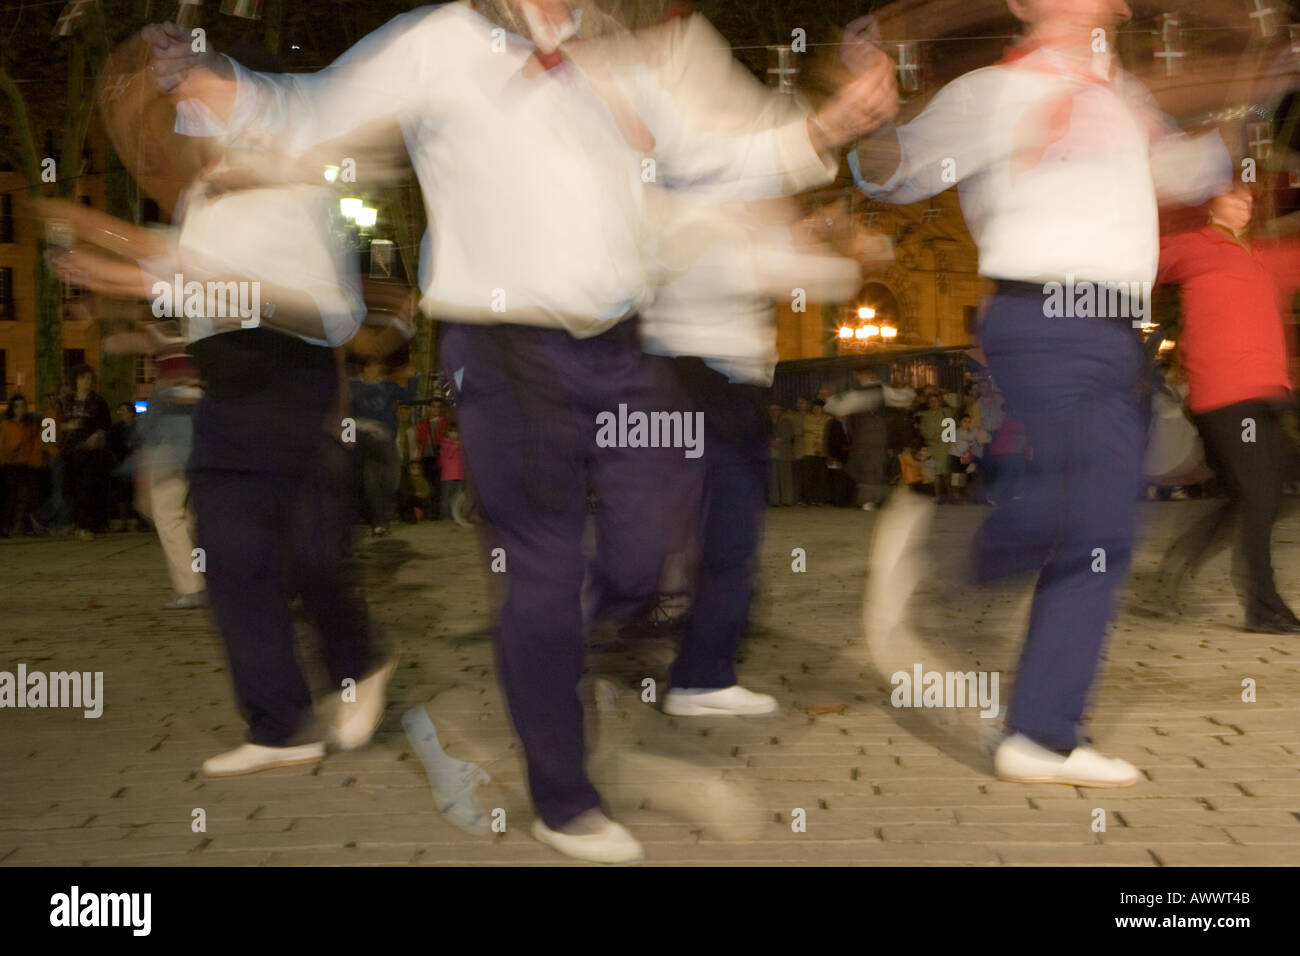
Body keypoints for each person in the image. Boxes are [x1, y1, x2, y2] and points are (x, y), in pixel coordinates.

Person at [143, 0, 896, 862]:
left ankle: (538, 660)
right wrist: (219, 84)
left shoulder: (618, 57)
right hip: (501, 351)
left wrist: (829, 121)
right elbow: (315, 107)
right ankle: (564, 797)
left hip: (620, 345)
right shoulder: (437, 45)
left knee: (643, 555)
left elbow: (718, 150)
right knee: (539, 567)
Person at [853, 0, 1233, 787]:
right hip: (1041, 317)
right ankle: (941, 559)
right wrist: (872, 114)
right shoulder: (998, 90)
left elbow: (1191, 172)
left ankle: (1042, 736)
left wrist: (1242, 120)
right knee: (1070, 507)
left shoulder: (1124, 98)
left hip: (1119, 331)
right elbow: (889, 174)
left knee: (1105, 529)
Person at [1156, 184, 1300, 633]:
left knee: (1265, 494)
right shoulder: (1196, 247)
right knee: (1259, 494)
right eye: (1233, 195)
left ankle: (1184, 556)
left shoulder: (1263, 257)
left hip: (1272, 395)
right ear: (1210, 204)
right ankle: (1264, 607)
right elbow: (1137, 257)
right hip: (1225, 398)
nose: (1245, 201)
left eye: (1249, 197)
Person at [60, 366, 114, 541]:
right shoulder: (66, 401)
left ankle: (87, 526)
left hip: (91, 450)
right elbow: (51, 423)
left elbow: (106, 425)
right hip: (70, 449)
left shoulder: (98, 401)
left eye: (90, 379)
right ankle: (79, 524)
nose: (87, 382)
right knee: (71, 488)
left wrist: (98, 435)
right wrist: (66, 428)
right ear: (76, 380)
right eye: (83, 378)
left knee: (87, 486)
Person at [1, 395, 42, 537]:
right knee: (10, 497)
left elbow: (35, 444)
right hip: (11, 465)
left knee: (25, 497)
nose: (21, 409)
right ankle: (6, 526)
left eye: (23, 406)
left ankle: (21, 527)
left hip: (26, 465)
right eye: (17, 406)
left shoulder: (30, 425)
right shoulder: (6, 425)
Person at [768, 403, 796, 507]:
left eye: (776, 410)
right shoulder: (765, 422)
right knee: (773, 478)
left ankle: (787, 500)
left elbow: (790, 434)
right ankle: (774, 500)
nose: (774, 412)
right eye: (771, 410)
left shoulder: (787, 421)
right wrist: (769, 441)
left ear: (781, 411)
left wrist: (779, 441)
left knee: (786, 477)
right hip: (770, 451)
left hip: (784, 451)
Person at [437, 421, 466, 524]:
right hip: (448, 476)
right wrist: (456, 445)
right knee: (446, 497)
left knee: (456, 498)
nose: (454, 434)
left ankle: (455, 516)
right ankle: (444, 516)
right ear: (447, 433)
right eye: (451, 432)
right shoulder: (445, 443)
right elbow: (448, 455)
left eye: (456, 432)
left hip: (459, 475)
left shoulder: (462, 444)